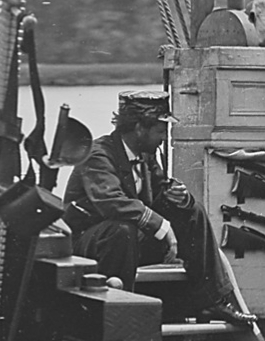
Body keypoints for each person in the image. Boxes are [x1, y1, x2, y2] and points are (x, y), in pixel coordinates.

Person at [62, 90, 252, 325]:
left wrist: (179, 198)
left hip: (128, 244)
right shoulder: (98, 154)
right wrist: (160, 225)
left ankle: (212, 301)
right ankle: (120, 313)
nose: (164, 137)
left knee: (193, 212)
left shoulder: (146, 155)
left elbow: (158, 195)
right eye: (160, 131)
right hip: (89, 246)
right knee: (121, 230)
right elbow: (111, 201)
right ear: (139, 128)